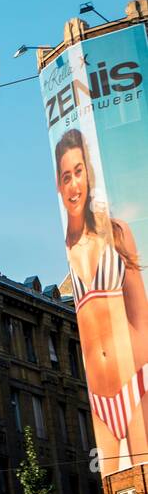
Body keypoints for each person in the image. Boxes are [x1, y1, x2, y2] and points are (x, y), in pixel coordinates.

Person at [56, 128, 148, 470]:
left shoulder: (118, 232)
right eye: (66, 176)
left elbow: (141, 315)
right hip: (99, 401)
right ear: (59, 185)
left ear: (90, 174)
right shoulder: (67, 247)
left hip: (133, 384)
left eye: (79, 171)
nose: (74, 184)